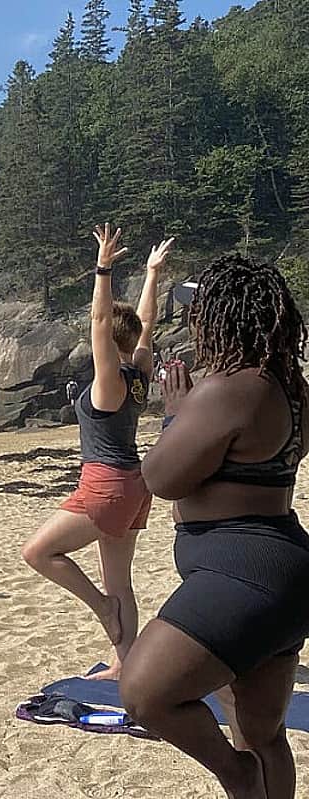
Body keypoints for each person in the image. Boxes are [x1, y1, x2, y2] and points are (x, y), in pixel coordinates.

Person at [119, 254, 309, 799]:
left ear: (223, 318)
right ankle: (250, 773)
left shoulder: (230, 388)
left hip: (241, 574)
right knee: (261, 734)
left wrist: (175, 413)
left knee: (144, 691)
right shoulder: (290, 388)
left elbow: (160, 477)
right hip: (283, 569)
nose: (194, 324)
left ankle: (235, 775)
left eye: (198, 313)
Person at [21, 226, 173, 682]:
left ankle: (103, 609)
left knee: (38, 553)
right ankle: (125, 662)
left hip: (105, 484)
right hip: (134, 483)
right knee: (120, 579)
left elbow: (101, 323)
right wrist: (151, 274)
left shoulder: (109, 384)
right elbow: (145, 324)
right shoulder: (140, 372)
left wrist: (103, 268)